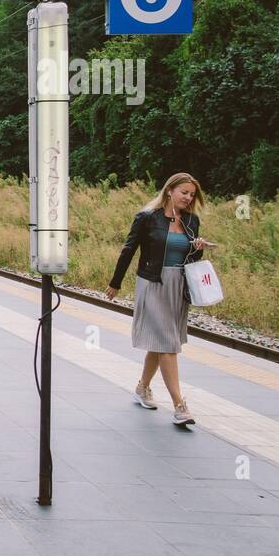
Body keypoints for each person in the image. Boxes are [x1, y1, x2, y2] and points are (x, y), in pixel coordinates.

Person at [104, 172, 215, 426]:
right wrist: (115, 283)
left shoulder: (191, 221)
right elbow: (128, 250)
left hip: (178, 286)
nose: (188, 198)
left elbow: (189, 259)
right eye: (184, 192)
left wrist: (196, 249)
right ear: (169, 191)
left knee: (159, 341)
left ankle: (143, 387)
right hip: (152, 283)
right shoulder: (147, 218)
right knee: (168, 344)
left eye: (191, 194)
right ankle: (180, 406)